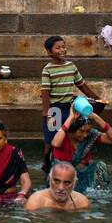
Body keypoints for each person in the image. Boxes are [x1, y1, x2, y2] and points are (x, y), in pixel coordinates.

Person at [40, 35, 101, 166]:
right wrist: (47, 114)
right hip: (54, 109)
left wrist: (97, 98)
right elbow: (45, 93)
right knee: (51, 138)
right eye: (58, 48)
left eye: (63, 47)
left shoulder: (71, 66)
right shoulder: (47, 70)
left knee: (69, 136)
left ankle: (72, 162)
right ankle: (47, 166)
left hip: (70, 108)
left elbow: (82, 85)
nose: (62, 50)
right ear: (49, 52)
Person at [49, 105, 112, 191]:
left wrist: (96, 118)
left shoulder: (90, 135)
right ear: (73, 130)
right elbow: (55, 143)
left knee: (100, 166)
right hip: (63, 177)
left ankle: (98, 193)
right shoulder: (63, 136)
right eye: (81, 131)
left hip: (83, 175)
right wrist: (71, 117)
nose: (85, 135)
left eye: (87, 131)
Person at [25, 161, 89, 211]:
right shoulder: (36, 202)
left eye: (67, 183)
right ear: (49, 179)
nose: (61, 188)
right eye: (56, 181)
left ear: (74, 183)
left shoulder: (82, 202)